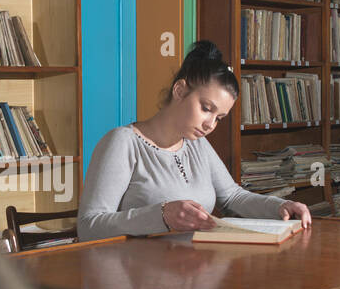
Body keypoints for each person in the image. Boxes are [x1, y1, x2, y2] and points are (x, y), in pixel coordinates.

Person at [77, 40, 313, 242]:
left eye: (219, 117)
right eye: (206, 108)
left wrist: (279, 206)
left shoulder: (196, 144)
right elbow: (89, 227)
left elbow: (232, 197)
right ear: (180, 90)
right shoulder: (123, 143)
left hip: (194, 273)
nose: (211, 124)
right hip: (139, 282)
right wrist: (161, 216)